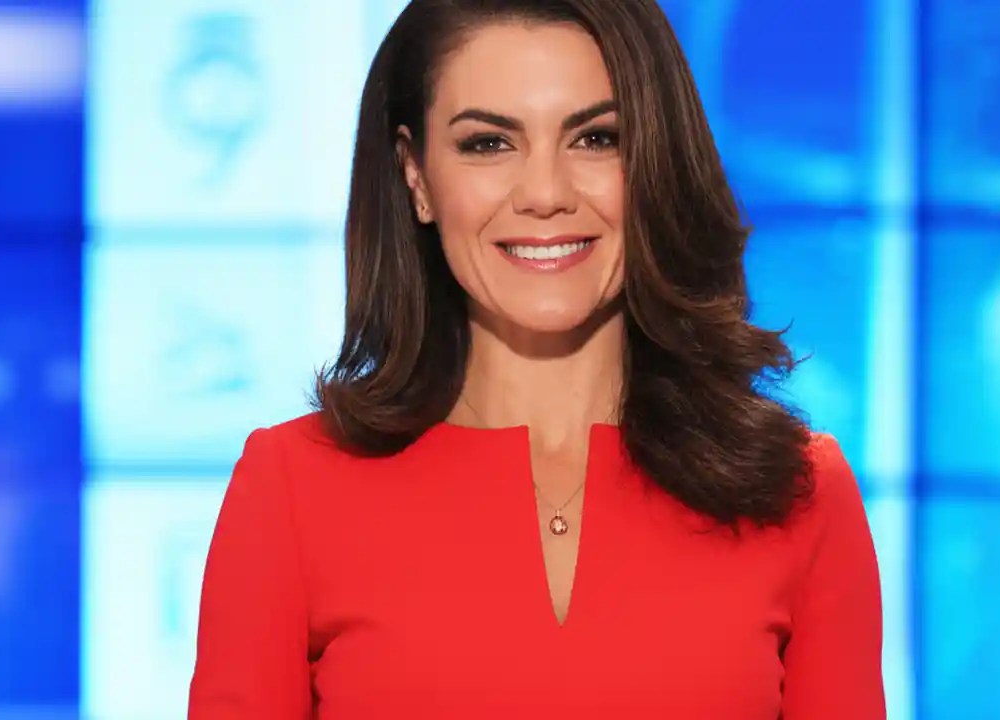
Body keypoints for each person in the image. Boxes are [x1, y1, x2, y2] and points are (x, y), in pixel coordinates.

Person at [187, 0, 885, 717]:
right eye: (489, 144)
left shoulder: (799, 494)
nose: (546, 195)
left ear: (654, 166)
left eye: (596, 138)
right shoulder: (293, 491)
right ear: (416, 178)